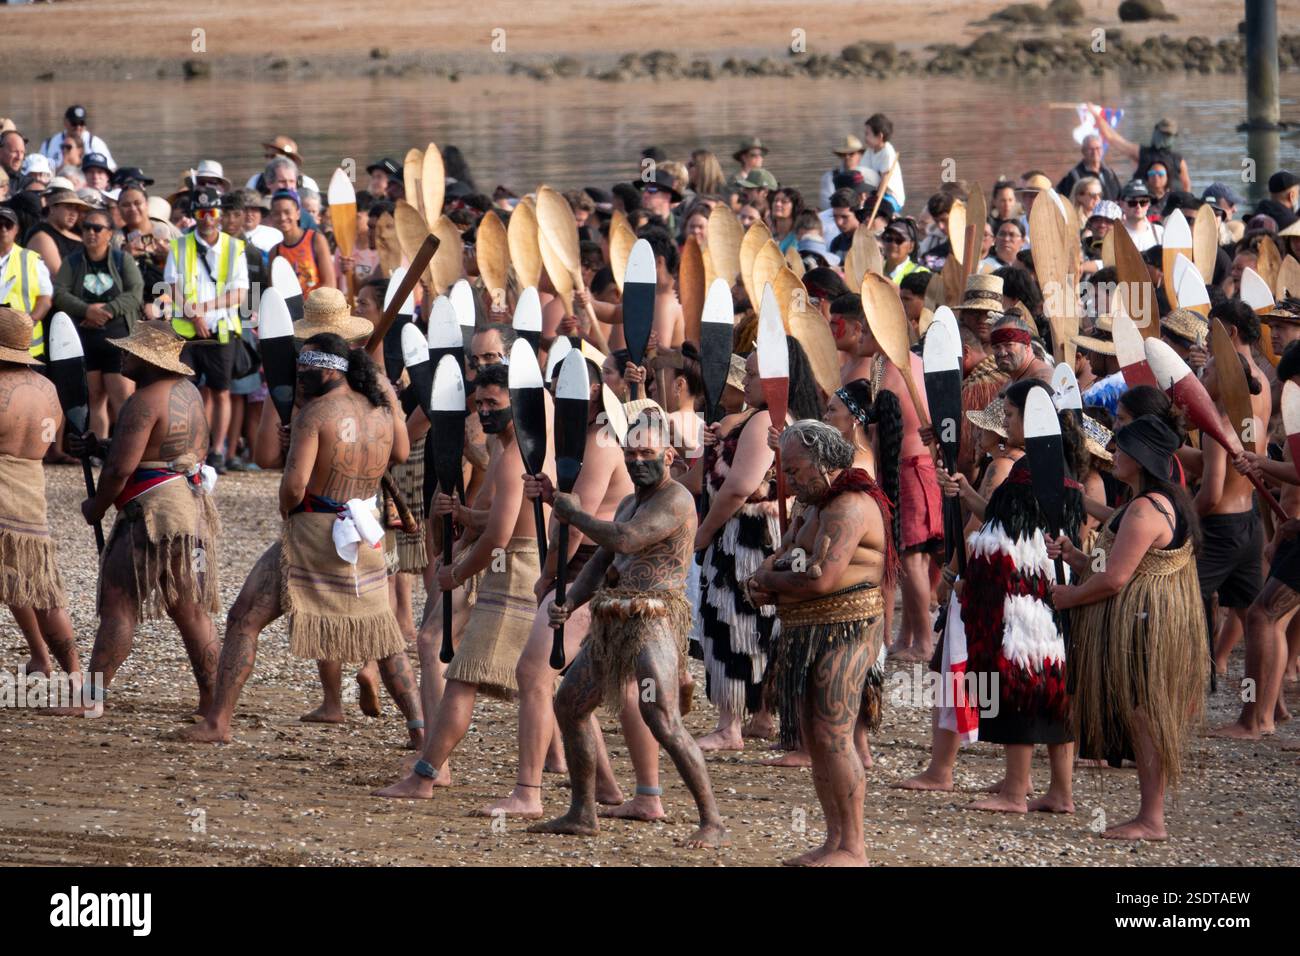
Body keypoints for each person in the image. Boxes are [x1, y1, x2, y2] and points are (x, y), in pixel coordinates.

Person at [180, 333, 419, 743]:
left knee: (244, 618)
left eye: (305, 367)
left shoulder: (316, 414)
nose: (298, 375)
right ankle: (421, 730)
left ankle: (218, 722)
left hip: (313, 533)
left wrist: (292, 494)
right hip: (365, 533)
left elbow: (293, 488)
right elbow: (400, 453)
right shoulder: (379, 411)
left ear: (328, 369)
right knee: (383, 637)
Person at [526, 407, 727, 849]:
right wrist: (570, 600)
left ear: (670, 455)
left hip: (653, 621)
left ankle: (711, 820)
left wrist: (571, 513)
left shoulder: (676, 499)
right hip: (612, 620)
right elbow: (604, 559)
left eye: (647, 452)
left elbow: (627, 539)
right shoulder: (630, 500)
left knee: (662, 719)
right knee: (570, 705)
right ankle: (583, 811)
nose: (638, 460)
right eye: (631, 452)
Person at [374, 362, 551, 796]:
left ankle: (428, 775)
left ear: (519, 403)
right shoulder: (510, 446)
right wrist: (460, 515)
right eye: (480, 403)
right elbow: (496, 520)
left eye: (496, 403)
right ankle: (601, 785)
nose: (485, 410)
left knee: (464, 679)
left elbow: (499, 537)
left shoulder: (515, 458)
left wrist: (456, 573)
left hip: (513, 573)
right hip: (511, 568)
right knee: (548, 688)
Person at [479, 364, 641, 819]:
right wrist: (548, 494)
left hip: (589, 570)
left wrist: (550, 577)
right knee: (575, 687)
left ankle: (528, 793)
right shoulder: (586, 434)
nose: (556, 395)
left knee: (536, 674)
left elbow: (575, 520)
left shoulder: (601, 439)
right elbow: (564, 506)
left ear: (593, 393)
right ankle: (611, 788)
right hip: (587, 566)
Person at [1049, 414, 1207, 840]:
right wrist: (1073, 557)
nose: (1114, 454)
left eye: (1121, 448)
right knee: (1142, 715)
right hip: (1145, 622)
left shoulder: (1143, 509)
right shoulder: (1150, 502)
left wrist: (1069, 597)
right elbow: (1109, 567)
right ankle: (1148, 816)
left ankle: (1151, 819)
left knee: (1146, 717)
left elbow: (1116, 579)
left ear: (1141, 457)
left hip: (1145, 627)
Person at [746, 420, 894, 865]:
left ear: (824, 464)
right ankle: (833, 840)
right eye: (784, 471)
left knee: (834, 733)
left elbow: (824, 578)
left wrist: (767, 580)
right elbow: (783, 554)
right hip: (807, 630)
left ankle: (854, 847)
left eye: (794, 470)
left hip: (848, 630)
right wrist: (767, 577)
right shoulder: (812, 505)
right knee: (813, 733)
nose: (787, 480)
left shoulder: (849, 505)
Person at [57, 326, 221, 717]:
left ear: (148, 362)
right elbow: (165, 448)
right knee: (191, 608)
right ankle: (214, 698)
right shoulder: (189, 393)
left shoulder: (142, 400)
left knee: (119, 606)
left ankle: (90, 697)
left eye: (129, 354)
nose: (122, 360)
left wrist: (96, 506)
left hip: (152, 512)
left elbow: (120, 470)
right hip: (190, 506)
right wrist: (101, 446)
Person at [692, 345, 821, 750]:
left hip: (743, 536)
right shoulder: (770, 418)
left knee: (735, 621)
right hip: (760, 534)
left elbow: (739, 488)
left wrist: (704, 533)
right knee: (762, 623)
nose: (743, 382)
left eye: (750, 375)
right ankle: (762, 717)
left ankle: (730, 725)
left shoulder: (767, 418)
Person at [1203, 301, 1277, 739]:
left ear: (1229, 333)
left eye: (1213, 340)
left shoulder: (1228, 390)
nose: (1207, 354)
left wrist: (1183, 523)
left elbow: (1213, 487)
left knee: (1184, 609)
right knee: (1255, 619)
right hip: (1249, 514)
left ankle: (1193, 705)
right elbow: (1244, 455)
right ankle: (1261, 714)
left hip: (1221, 524)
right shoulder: (1263, 382)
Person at [0, 307, 81, 682]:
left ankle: (76, 676)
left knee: (38, 592)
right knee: (31, 585)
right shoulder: (49, 389)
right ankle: (45, 661)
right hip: (33, 491)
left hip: (4, 491)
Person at [163, 187, 249, 473]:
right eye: (201, 213)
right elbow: (171, 288)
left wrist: (206, 308)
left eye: (212, 212)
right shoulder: (179, 246)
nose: (207, 219)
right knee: (185, 389)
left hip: (221, 329)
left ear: (220, 214)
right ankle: (190, 448)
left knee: (220, 390)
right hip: (187, 331)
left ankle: (218, 451)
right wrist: (193, 313)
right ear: (194, 215)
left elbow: (239, 293)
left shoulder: (235, 248)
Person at [52, 205, 141, 438]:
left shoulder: (124, 260)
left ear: (110, 233)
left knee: (122, 396)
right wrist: (87, 310)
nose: (91, 232)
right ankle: (97, 448)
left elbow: (135, 293)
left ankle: (125, 448)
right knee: (94, 397)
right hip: (86, 336)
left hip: (117, 336)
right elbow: (60, 293)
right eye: (87, 227)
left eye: (97, 228)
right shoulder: (72, 262)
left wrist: (107, 310)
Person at [1091, 111, 1191, 194]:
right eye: (1163, 134)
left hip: (1170, 204)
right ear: (1156, 131)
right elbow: (1113, 139)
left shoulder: (1178, 160)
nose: (1165, 138)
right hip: (1143, 202)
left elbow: (1186, 187)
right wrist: (1096, 116)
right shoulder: (1142, 153)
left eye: (1168, 135)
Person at [0, 205, 53, 358]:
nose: (3, 229)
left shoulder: (31, 259)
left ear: (16, 229)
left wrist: (30, 322)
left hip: (26, 346)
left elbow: (45, 299)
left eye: (8, 225)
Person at [267, 189, 335, 293]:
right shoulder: (274, 252)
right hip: (289, 309)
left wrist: (309, 305)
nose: (282, 217)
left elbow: (330, 284)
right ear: (272, 216)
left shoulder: (316, 240)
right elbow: (274, 292)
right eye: (277, 213)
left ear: (298, 213)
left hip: (316, 307)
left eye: (287, 212)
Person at [25, 184, 87, 279]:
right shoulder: (41, 236)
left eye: (76, 209)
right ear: (52, 208)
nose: (73, 213)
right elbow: (58, 275)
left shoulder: (77, 235)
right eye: (68, 207)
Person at [39, 105, 115, 171]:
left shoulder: (95, 143)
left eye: (81, 123)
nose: (78, 127)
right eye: (74, 123)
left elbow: (111, 168)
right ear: (65, 122)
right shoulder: (49, 144)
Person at [990, 312, 1053, 385]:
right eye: (996, 347)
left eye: (1008, 345)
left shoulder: (1041, 379)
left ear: (1026, 346)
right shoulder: (1012, 380)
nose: (1002, 353)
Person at [1056, 134, 1122, 201]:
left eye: (1098, 148)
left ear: (1102, 150)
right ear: (1083, 151)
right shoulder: (1075, 176)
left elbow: (1120, 196)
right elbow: (1066, 201)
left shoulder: (1109, 173)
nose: (1095, 152)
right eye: (1091, 149)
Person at [862, 113, 905, 209]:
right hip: (874, 192)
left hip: (891, 196)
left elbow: (885, 179)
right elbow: (862, 172)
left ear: (879, 136)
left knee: (877, 209)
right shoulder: (870, 151)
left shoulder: (887, 152)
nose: (865, 138)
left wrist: (876, 200)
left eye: (868, 134)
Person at [819, 136, 865, 209]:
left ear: (860, 154)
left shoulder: (869, 176)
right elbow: (826, 205)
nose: (847, 157)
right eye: (843, 154)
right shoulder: (829, 177)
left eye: (851, 153)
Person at [880, 217, 928, 284]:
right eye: (889, 238)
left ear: (911, 246)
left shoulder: (920, 273)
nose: (893, 244)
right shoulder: (874, 267)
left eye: (899, 240)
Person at [1120, 180, 1164, 253]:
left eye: (1143, 202)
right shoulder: (1115, 234)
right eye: (1132, 203)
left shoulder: (1160, 232)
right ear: (1121, 204)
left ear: (1148, 205)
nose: (1138, 207)